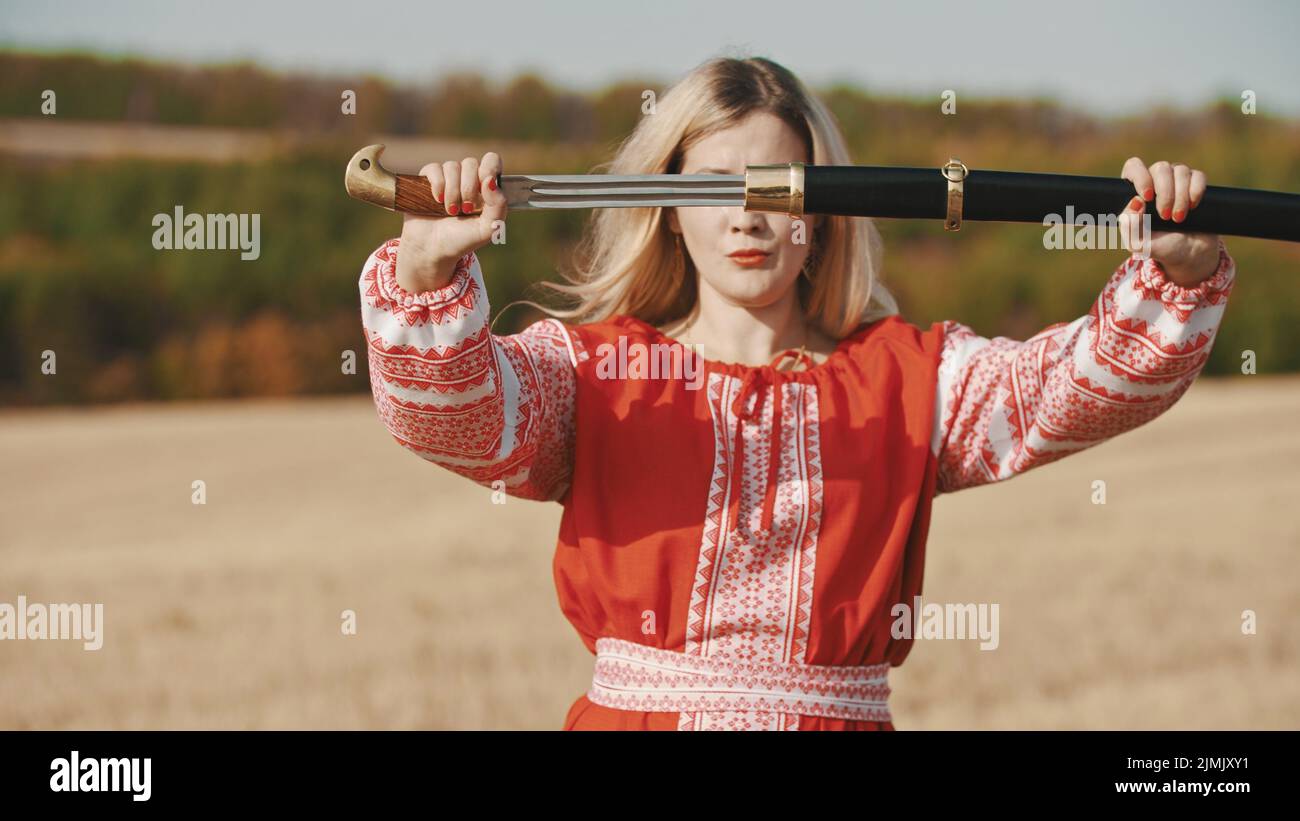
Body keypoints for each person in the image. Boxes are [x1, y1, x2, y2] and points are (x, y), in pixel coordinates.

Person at [356, 57, 1235, 730]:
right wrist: (429, 268)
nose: (745, 217)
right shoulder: (591, 376)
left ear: (821, 210)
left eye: (776, 188)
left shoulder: (913, 379)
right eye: (711, 187)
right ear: (666, 206)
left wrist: (1176, 275)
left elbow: (1081, 388)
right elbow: (457, 419)